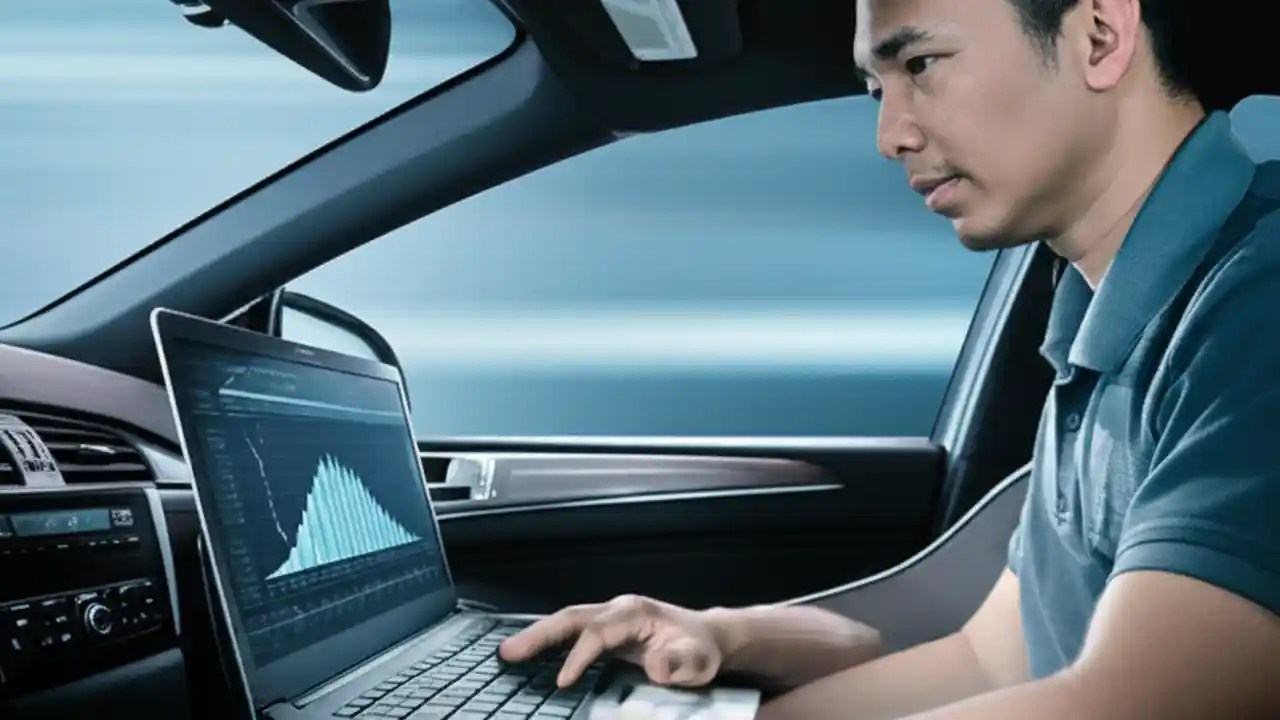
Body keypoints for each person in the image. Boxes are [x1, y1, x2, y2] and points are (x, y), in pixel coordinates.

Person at [499, 0, 1280, 716]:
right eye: (877, 89)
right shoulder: (1102, 334)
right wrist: (725, 650)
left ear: (1099, 37)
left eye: (920, 66)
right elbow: (994, 658)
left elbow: (1129, 705)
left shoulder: (1258, 302)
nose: (889, 136)